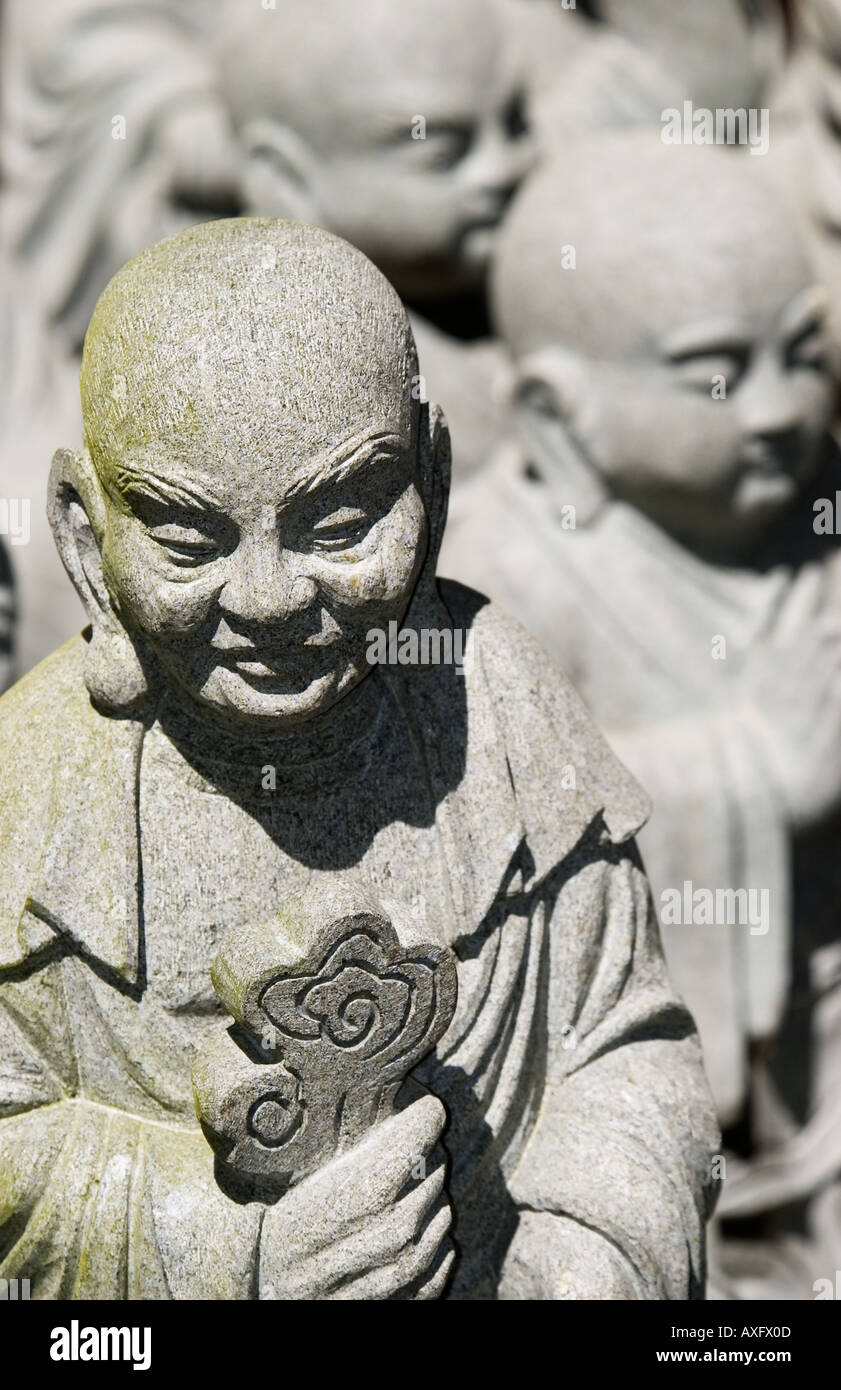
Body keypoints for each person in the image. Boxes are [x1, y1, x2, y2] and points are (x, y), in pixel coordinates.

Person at [0, 217, 717, 1300]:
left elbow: (627, 1055)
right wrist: (218, 1249)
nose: (271, 599)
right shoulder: (29, 791)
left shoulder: (500, 707)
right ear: (85, 540)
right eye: (189, 541)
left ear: (429, 486)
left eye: (339, 521)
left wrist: (558, 1271)